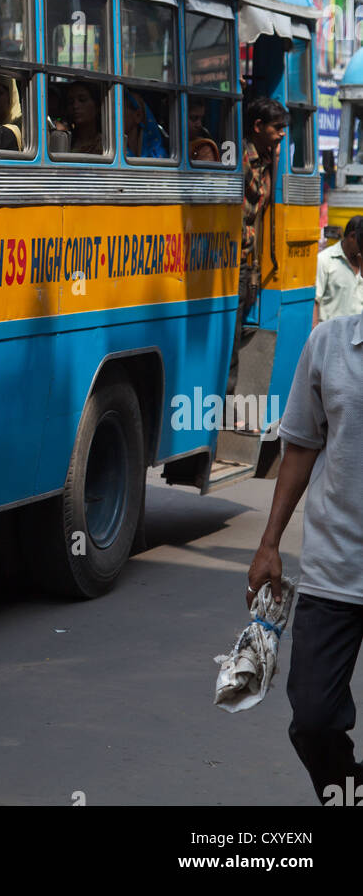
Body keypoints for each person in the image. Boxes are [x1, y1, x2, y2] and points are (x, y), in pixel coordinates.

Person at [246, 312, 363, 803]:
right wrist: (269, 542)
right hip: (333, 568)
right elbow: (301, 446)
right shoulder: (329, 343)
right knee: (313, 720)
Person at [226, 96, 288, 397]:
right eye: (278, 128)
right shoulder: (239, 157)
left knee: (236, 333)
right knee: (230, 337)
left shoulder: (261, 159)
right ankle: (223, 401)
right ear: (258, 126)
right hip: (232, 258)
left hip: (245, 258)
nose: (282, 135)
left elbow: (265, 205)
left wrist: (274, 157)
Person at [313, 217, 363, 325]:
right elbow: (315, 301)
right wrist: (315, 332)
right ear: (352, 236)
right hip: (332, 335)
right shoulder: (324, 260)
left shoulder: (361, 260)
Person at [123, 89, 168, 159]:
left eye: (119, 110)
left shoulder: (158, 154)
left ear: (138, 115)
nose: (112, 116)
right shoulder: (108, 147)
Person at [65, 81, 103, 154]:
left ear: (97, 106)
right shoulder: (65, 141)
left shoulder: (108, 144)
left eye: (82, 100)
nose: (75, 106)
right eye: (70, 102)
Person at [188, 97, 220, 163]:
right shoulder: (168, 142)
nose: (199, 124)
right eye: (194, 118)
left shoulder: (203, 148)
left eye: (201, 119)